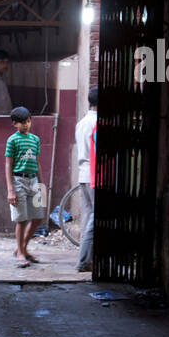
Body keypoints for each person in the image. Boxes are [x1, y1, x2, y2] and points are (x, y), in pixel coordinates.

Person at [4, 107, 46, 267]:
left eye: (28, 121)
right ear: (14, 123)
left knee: (38, 216)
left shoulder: (35, 139)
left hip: (33, 180)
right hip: (18, 181)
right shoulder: (12, 140)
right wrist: (10, 189)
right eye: (22, 122)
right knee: (21, 219)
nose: (26, 125)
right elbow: (8, 164)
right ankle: (21, 252)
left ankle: (23, 248)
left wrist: (41, 184)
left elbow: (38, 163)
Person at [75, 88, 98, 273]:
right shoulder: (97, 122)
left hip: (83, 173)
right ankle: (84, 260)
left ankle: (87, 259)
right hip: (94, 173)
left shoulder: (82, 122)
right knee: (94, 218)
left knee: (87, 217)